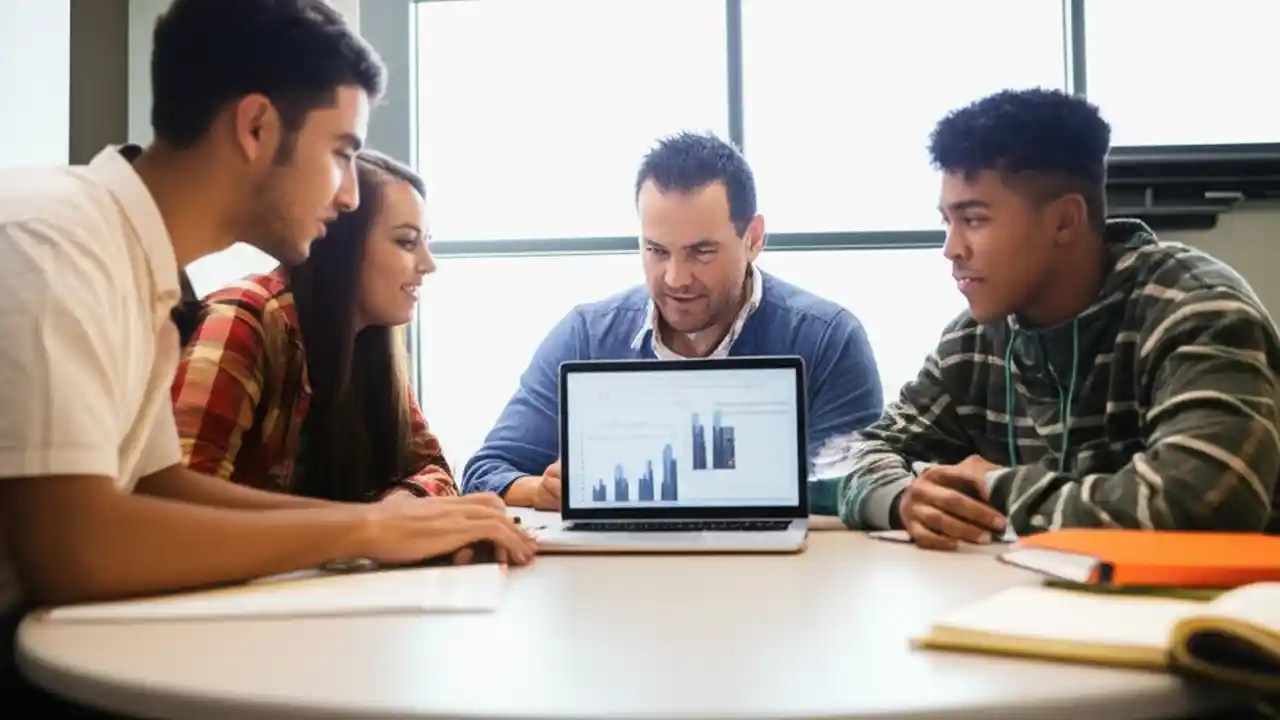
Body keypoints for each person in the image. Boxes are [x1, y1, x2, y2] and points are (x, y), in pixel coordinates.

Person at [0, 1, 534, 705]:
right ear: (255, 128)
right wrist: (366, 528)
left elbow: (162, 486)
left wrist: (390, 524)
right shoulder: (55, 243)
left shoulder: (140, 273)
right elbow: (71, 546)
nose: (350, 195)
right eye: (341, 152)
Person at [836, 88, 1280, 550]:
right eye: (947, 222)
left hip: (1208, 597)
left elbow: (1204, 506)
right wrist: (903, 498)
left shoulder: (1197, 311)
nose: (951, 249)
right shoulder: (974, 341)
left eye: (974, 220)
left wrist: (993, 488)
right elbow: (855, 456)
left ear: (1065, 221)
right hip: (1023, 591)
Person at [462, 131, 885, 510]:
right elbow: (485, 472)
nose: (676, 279)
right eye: (657, 251)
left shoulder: (828, 340)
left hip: (776, 569)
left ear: (753, 239)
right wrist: (540, 490)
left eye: (702, 252)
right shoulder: (586, 336)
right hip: (616, 570)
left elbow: (853, 489)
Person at [172, 151, 456, 503]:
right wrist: (367, 524)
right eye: (406, 242)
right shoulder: (241, 321)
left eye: (426, 242)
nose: (428, 264)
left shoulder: (371, 344)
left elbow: (433, 468)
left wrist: (403, 501)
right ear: (341, 244)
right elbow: (181, 503)